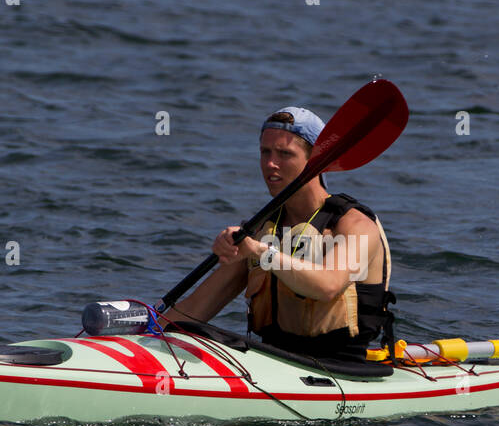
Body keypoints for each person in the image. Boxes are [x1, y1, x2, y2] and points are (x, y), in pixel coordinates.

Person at [161, 105, 395, 361]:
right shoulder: (262, 228)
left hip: (343, 368)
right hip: (271, 361)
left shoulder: (356, 225)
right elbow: (196, 308)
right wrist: (144, 333)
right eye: (265, 152)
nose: (271, 163)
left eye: (285, 153)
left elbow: (328, 285)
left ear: (315, 160)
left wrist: (262, 252)